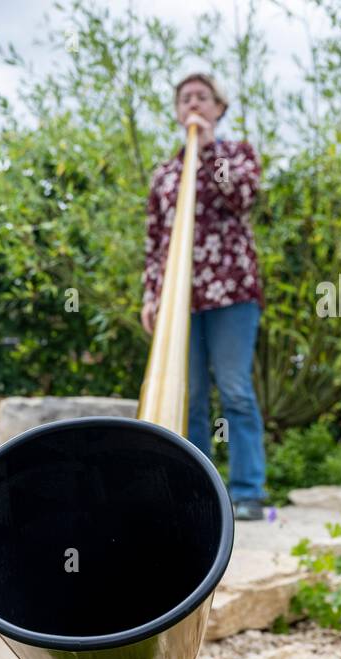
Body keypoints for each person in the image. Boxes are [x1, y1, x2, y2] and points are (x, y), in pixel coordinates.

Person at [142, 72, 268, 520]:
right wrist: (151, 295)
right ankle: (196, 493)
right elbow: (156, 241)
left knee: (234, 390)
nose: (193, 104)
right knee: (189, 396)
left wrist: (209, 148)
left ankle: (248, 492)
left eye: (202, 97)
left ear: (219, 107)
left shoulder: (237, 154)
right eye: (186, 99)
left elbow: (241, 198)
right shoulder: (165, 174)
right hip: (181, 301)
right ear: (176, 111)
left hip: (232, 290)